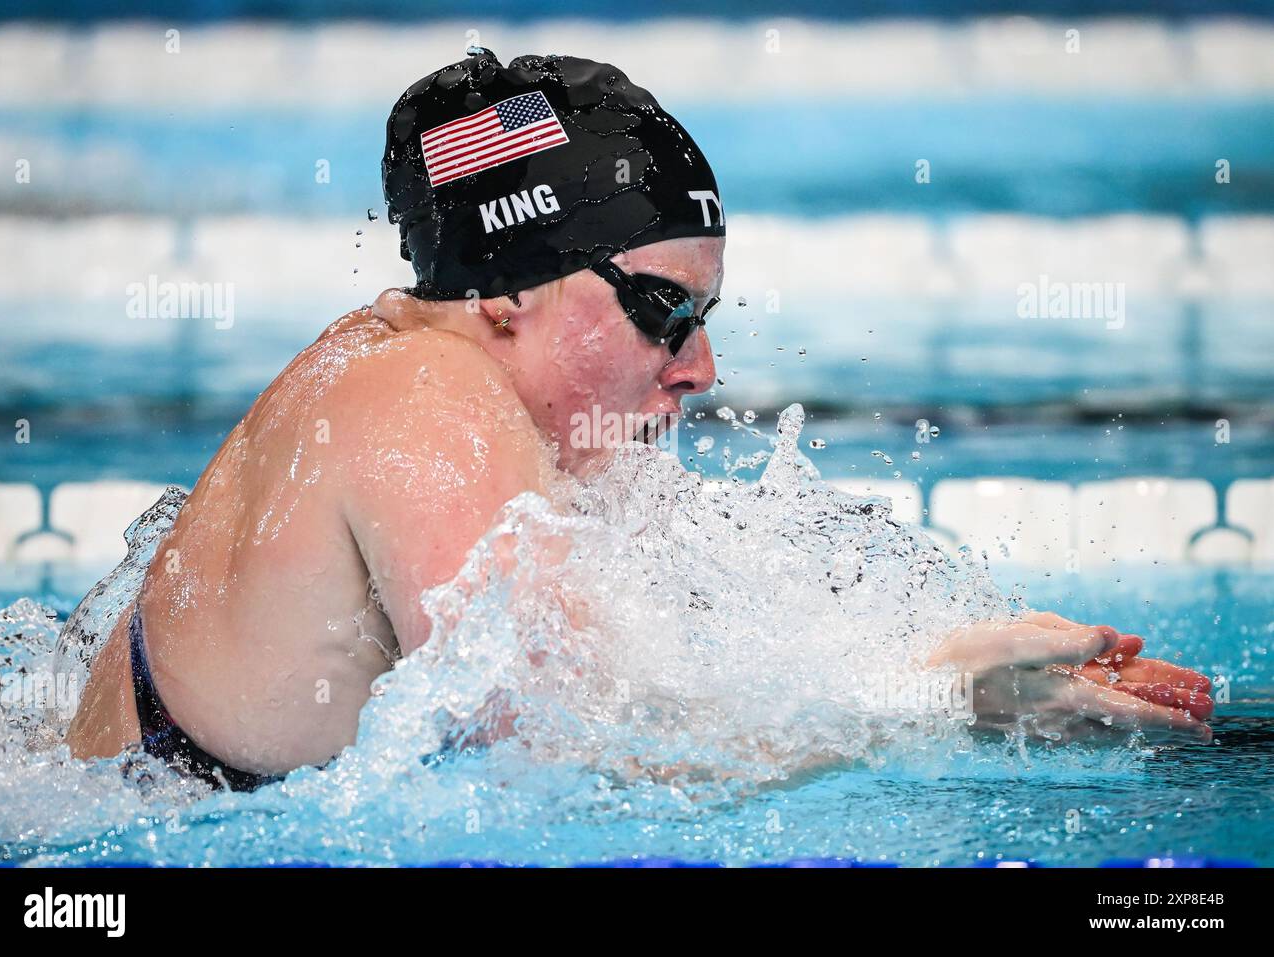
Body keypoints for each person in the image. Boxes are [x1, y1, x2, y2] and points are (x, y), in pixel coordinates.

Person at [64, 50, 1212, 792]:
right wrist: (928, 691)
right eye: (664, 311)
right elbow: (573, 758)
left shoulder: (382, 376)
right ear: (508, 294)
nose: (701, 368)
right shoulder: (424, 402)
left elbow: (647, 679)